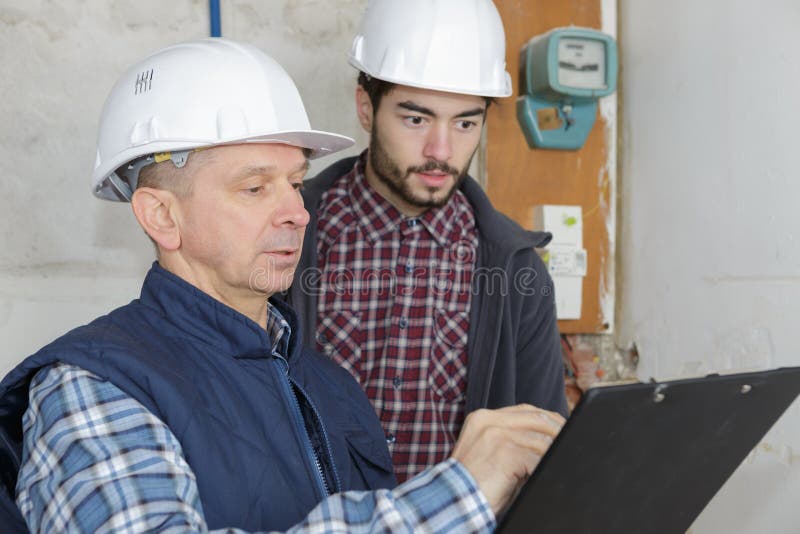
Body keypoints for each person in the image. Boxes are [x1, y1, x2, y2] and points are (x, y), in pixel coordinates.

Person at [0, 38, 564, 533]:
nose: (297, 212)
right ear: (162, 217)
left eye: (295, 183)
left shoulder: (328, 387)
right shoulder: (92, 389)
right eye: (255, 188)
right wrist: (457, 495)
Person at [283, 0, 569, 482]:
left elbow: (542, 452)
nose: (441, 151)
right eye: (416, 119)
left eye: (465, 122)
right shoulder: (287, 235)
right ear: (365, 107)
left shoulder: (517, 273)